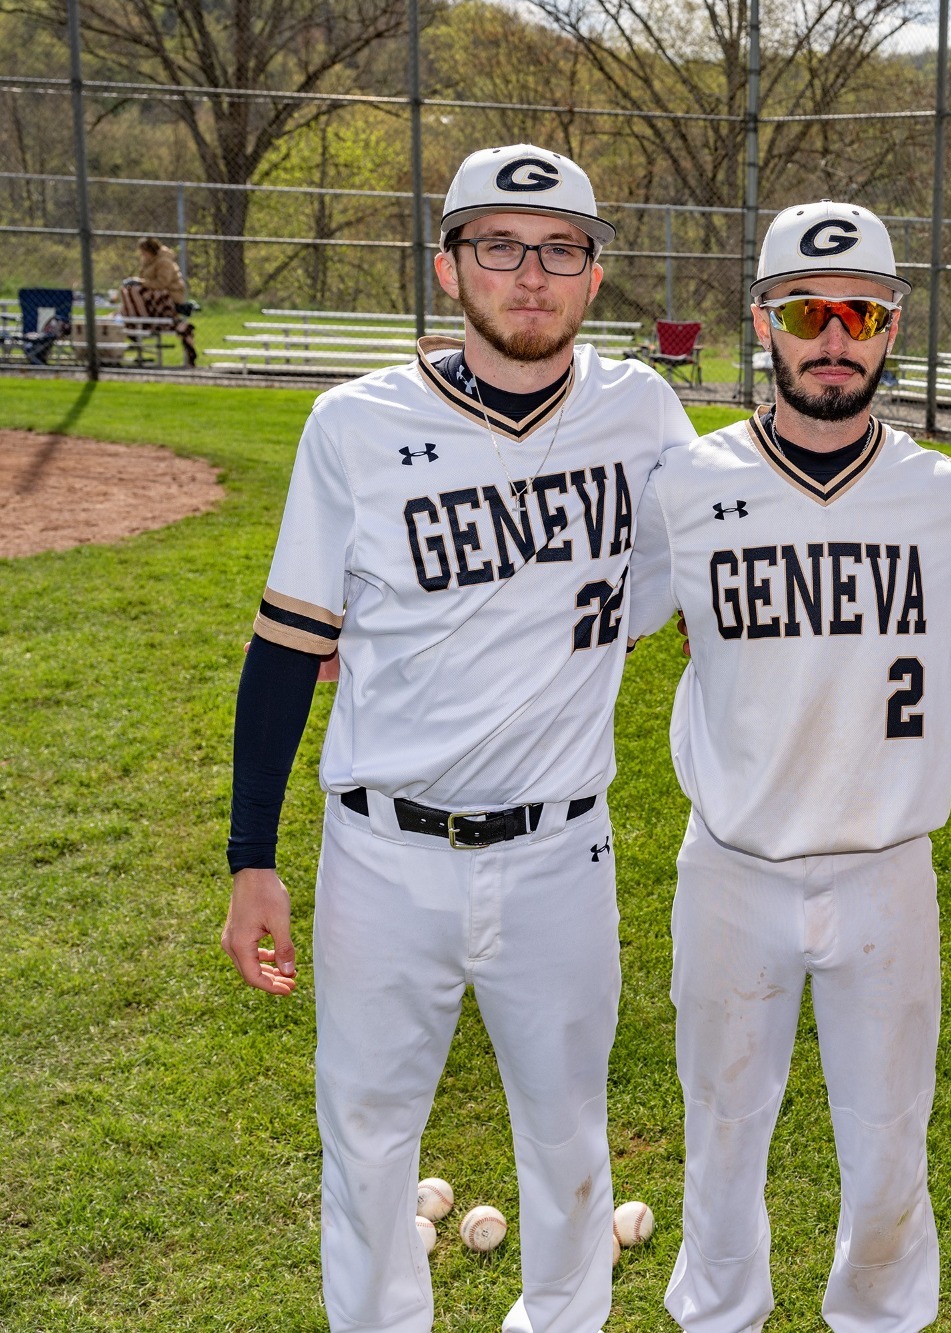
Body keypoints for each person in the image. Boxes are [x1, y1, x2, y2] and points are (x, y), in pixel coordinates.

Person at [219, 143, 696, 1333]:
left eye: (558, 250)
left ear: (594, 275)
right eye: (497, 245)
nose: (527, 275)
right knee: (368, 1138)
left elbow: (717, 561)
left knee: (566, 1131)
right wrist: (250, 855)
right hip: (384, 855)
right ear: (448, 266)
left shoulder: (645, 414)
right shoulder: (353, 425)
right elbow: (286, 645)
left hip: (559, 854)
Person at [625, 201, 951, 1333]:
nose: (834, 336)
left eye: (861, 311)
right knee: (718, 1129)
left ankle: (881, 1320)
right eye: (808, 311)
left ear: (893, 327)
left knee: (891, 1143)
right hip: (733, 866)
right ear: (764, 324)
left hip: (886, 870)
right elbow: (582, 611)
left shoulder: (945, 499)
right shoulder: (688, 487)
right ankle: (718, 1315)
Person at [119, 236, 198, 366]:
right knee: (127, 289)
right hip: (153, 294)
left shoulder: (164, 261)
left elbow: (162, 283)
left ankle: (140, 318)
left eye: (144, 252)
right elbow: (145, 282)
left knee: (135, 290)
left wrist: (140, 282)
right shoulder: (147, 262)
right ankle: (133, 320)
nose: (142, 255)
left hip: (169, 296)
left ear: (152, 250)